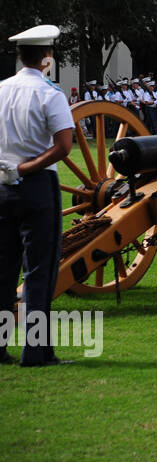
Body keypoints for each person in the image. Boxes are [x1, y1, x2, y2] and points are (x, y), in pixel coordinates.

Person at [0, 25, 75, 366]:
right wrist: (27, 168)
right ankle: (36, 351)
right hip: (36, 184)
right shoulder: (50, 92)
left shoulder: (2, 89)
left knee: (3, 271)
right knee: (39, 272)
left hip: (3, 184)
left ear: (19, 55)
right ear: (46, 57)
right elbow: (63, 146)